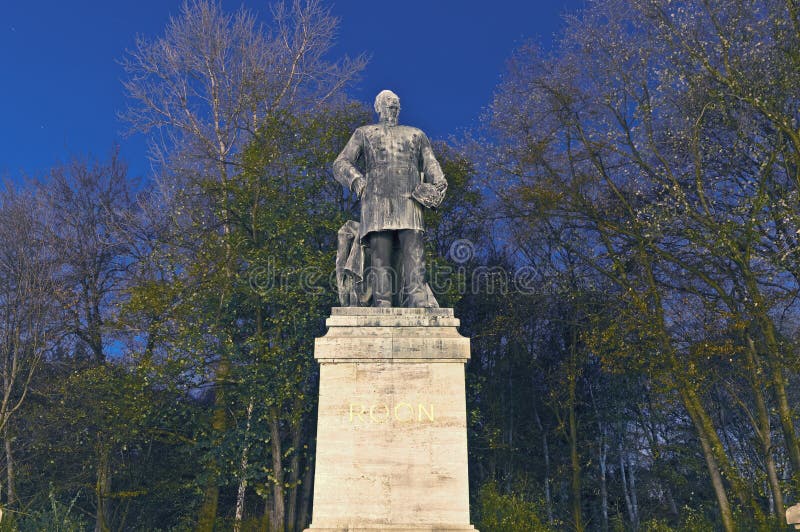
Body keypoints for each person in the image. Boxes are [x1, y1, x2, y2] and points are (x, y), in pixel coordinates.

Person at [333, 89, 447, 308]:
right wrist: (357, 180)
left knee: (414, 254)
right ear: (377, 107)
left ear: (400, 108)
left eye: (396, 103)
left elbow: (430, 163)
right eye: (387, 102)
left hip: (411, 200)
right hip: (376, 200)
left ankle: (418, 300)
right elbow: (341, 163)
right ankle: (382, 302)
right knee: (379, 255)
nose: (392, 106)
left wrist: (439, 182)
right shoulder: (364, 133)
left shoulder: (416, 134)